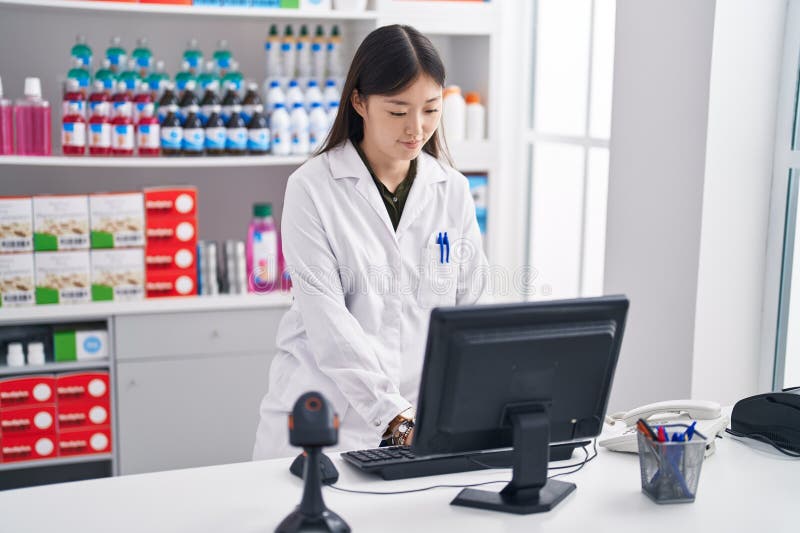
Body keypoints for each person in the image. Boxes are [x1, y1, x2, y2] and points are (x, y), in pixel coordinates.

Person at [253, 24, 490, 460]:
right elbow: (328, 323)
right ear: (359, 101)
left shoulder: (452, 189)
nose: (416, 129)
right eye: (398, 112)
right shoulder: (312, 188)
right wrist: (396, 419)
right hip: (323, 422)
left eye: (431, 110)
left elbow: (472, 308)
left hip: (422, 425)